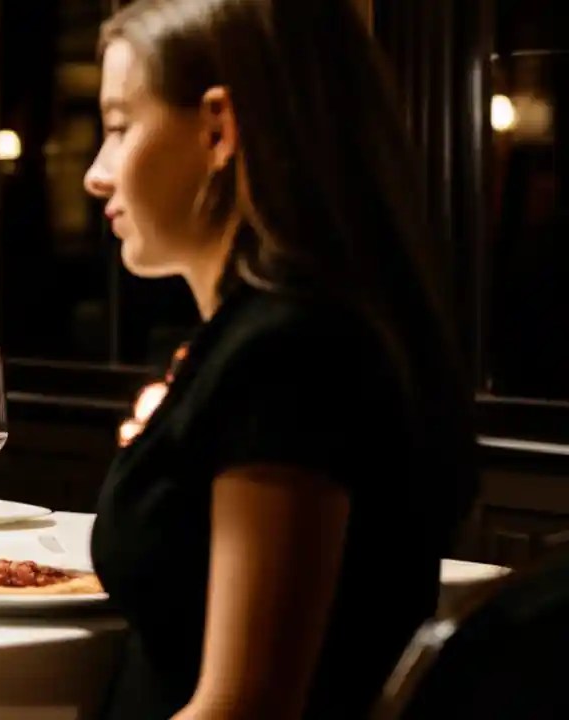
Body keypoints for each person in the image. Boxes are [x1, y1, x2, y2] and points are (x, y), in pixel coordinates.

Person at [81, 1, 478, 718]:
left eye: (117, 129)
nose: (96, 175)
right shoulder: (303, 331)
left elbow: (248, 708)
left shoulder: (286, 355)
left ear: (217, 127)